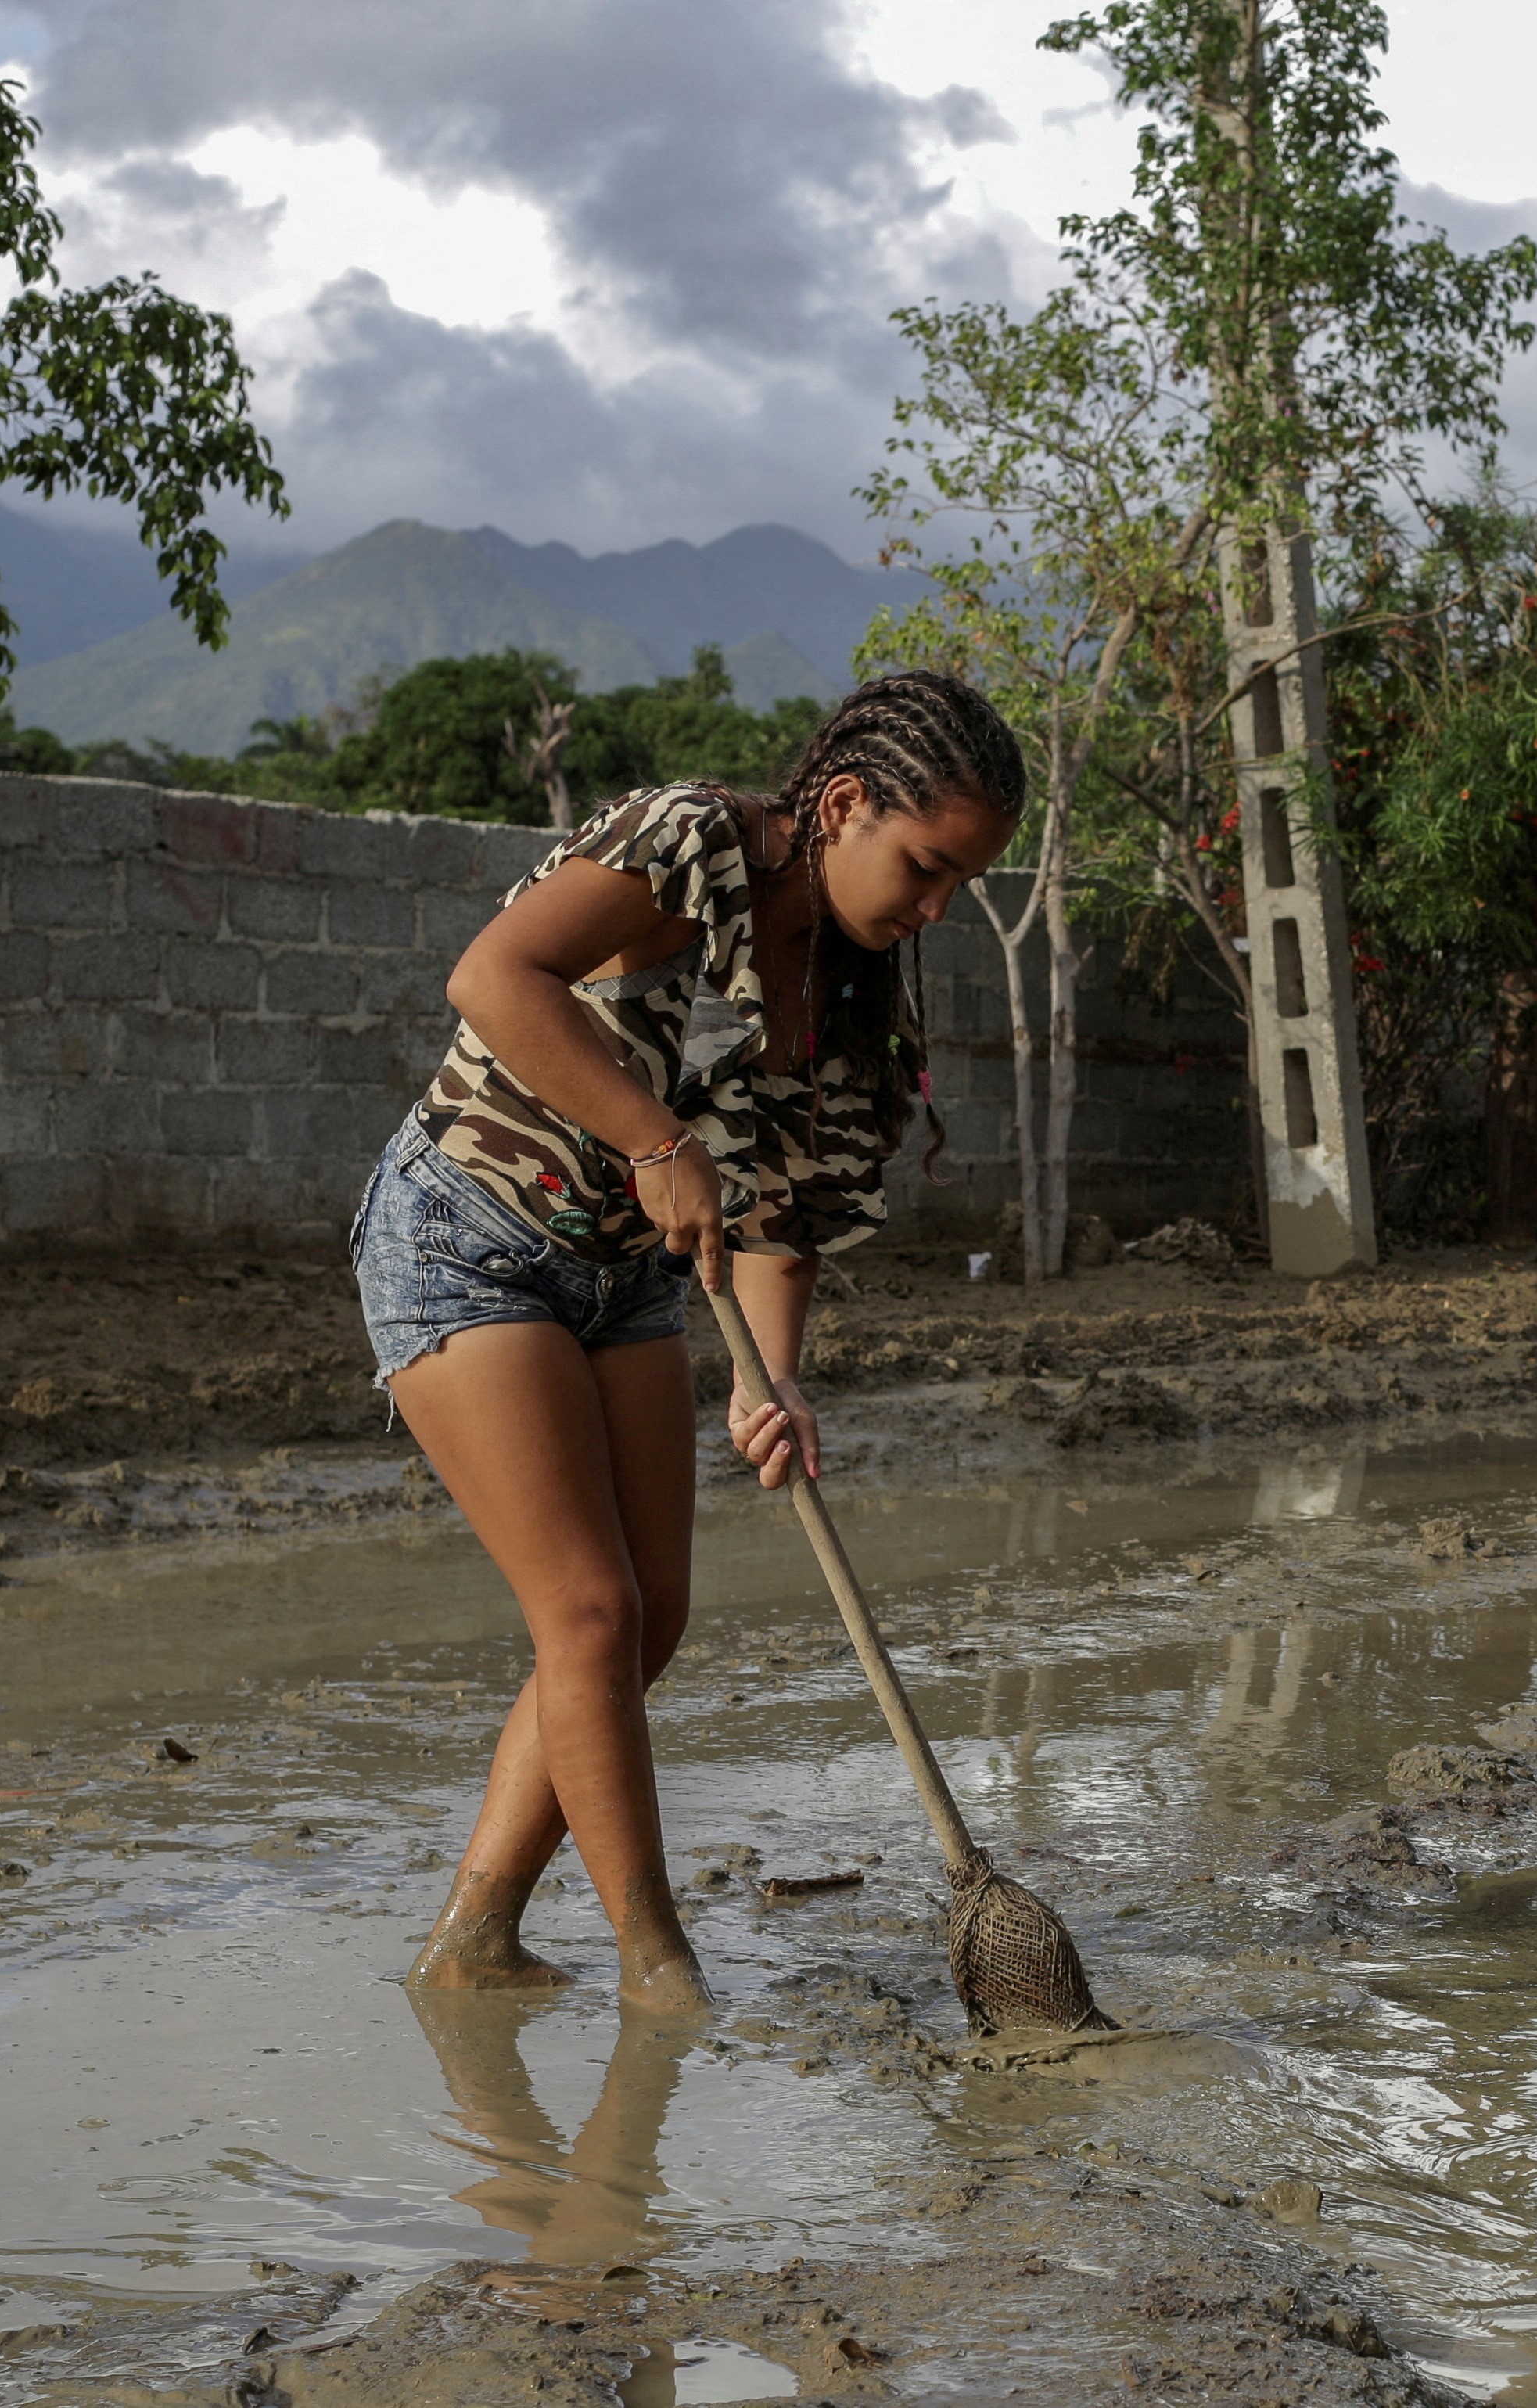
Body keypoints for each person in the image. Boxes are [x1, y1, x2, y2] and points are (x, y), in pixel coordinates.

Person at [356, 671, 1025, 2011]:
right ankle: (659, 1966)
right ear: (841, 804)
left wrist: (769, 1381)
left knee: (645, 1624)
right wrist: (655, 1140)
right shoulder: (687, 841)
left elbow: (779, 1219)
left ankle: (476, 1934)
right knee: (589, 1612)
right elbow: (493, 974)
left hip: (627, 1282)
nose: (935, 907)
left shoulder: (847, 995)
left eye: (961, 883)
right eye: (926, 864)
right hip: (466, 1233)